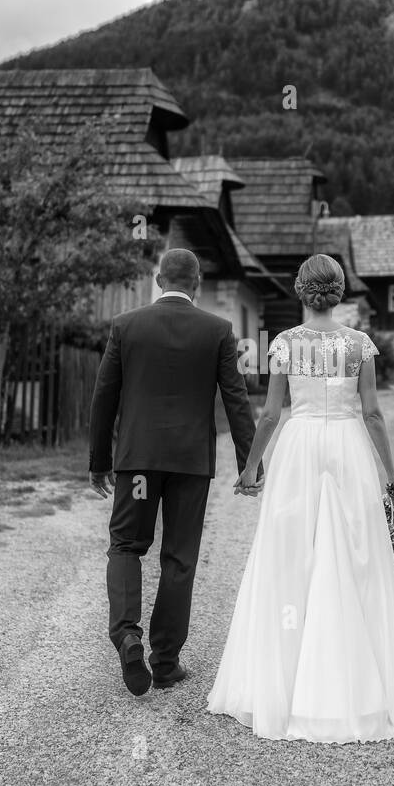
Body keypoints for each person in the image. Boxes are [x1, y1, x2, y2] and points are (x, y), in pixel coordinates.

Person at [206, 254, 394, 743]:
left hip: (300, 447)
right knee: (358, 558)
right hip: (348, 448)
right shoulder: (359, 345)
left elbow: (269, 416)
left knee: (288, 558)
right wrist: (391, 475)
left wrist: (250, 469)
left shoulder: (285, 345)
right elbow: (372, 414)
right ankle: (360, 690)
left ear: (299, 291)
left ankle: (284, 689)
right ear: (340, 291)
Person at [88, 248, 261, 696]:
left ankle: (127, 635)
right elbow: (236, 400)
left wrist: (98, 462)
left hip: (139, 463)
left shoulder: (126, 326)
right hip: (189, 464)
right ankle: (164, 663)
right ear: (197, 283)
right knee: (179, 559)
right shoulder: (218, 330)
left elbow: (104, 397)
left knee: (126, 545)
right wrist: (249, 465)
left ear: (160, 280)